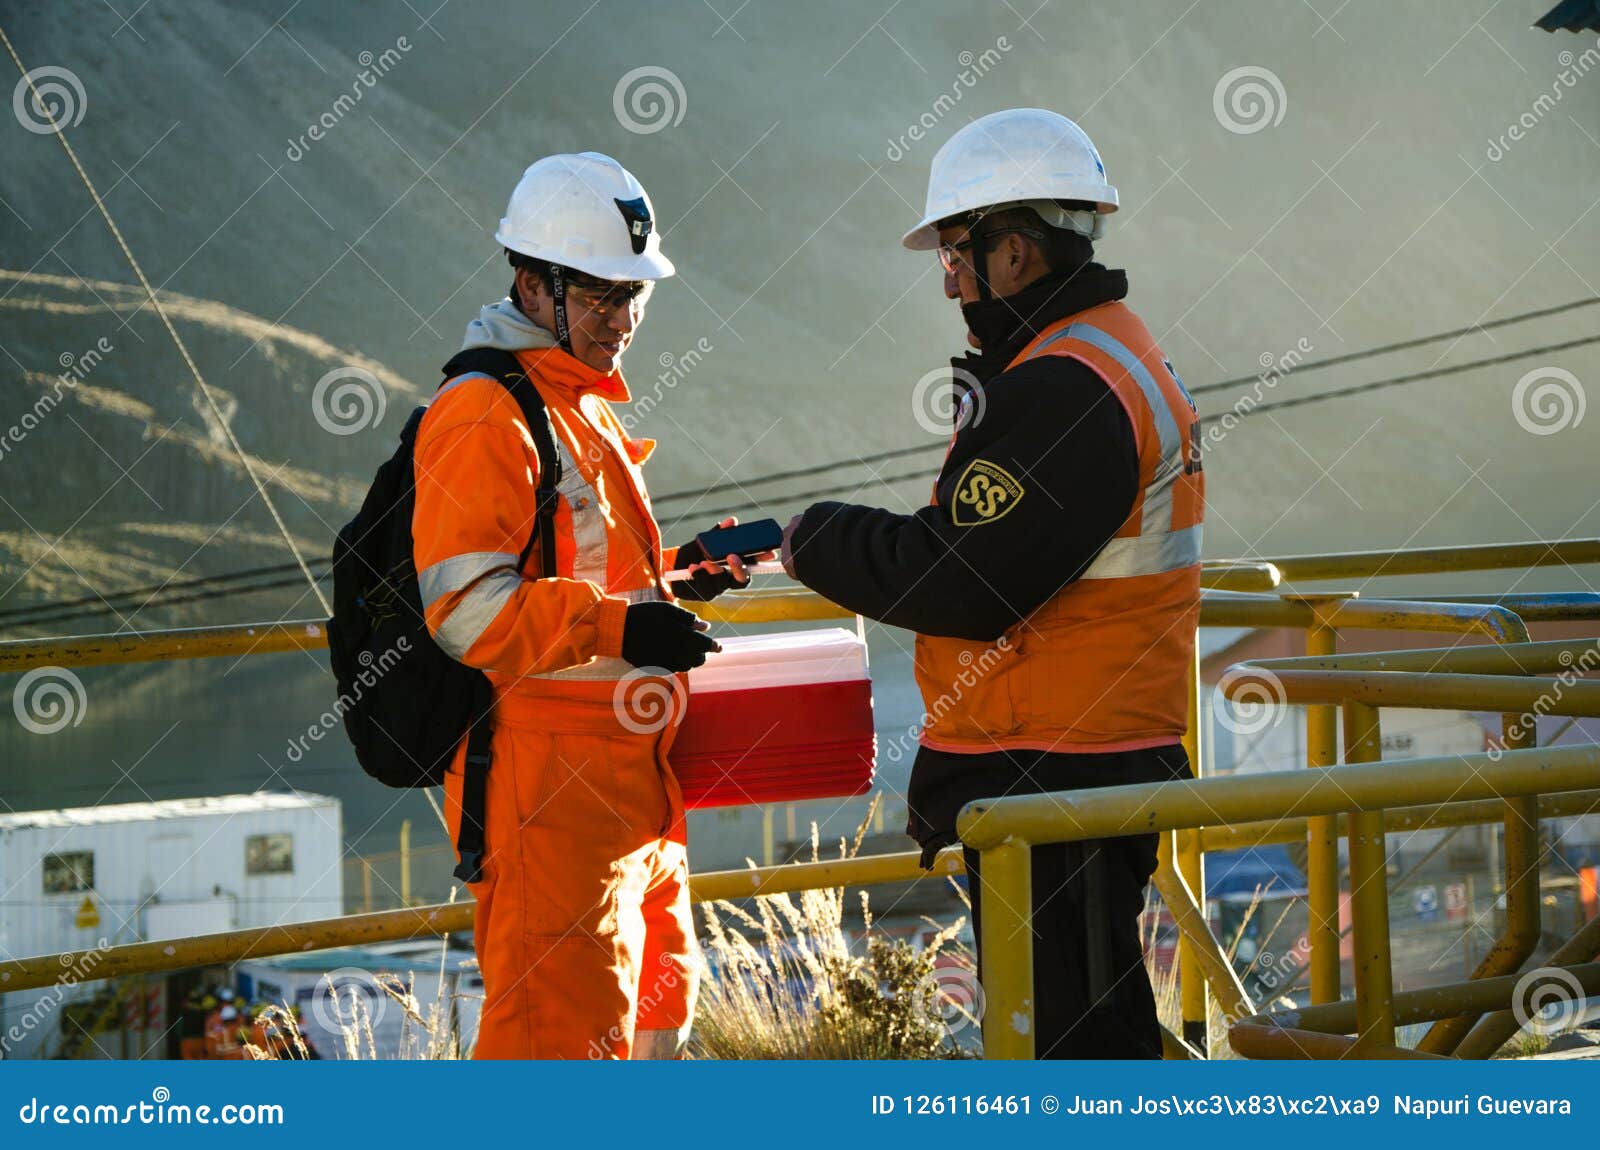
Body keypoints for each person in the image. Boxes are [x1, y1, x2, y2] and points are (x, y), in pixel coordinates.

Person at [781, 109, 1204, 1059]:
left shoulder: (1066, 386)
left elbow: (963, 577)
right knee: (1092, 1025)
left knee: (1073, 1047)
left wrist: (811, 537)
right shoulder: (1109, 351)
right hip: (1089, 749)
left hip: (1056, 766)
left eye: (956, 254)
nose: (949, 281)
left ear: (1015, 253)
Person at [414, 152, 752, 1059]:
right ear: (534, 284)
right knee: (559, 1055)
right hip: (542, 794)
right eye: (603, 296)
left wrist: (681, 580)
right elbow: (466, 612)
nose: (625, 320)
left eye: (635, 295)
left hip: (629, 787)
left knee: (649, 1034)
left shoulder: (575, 400)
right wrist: (621, 626)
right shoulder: (486, 411)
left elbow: (586, 575)